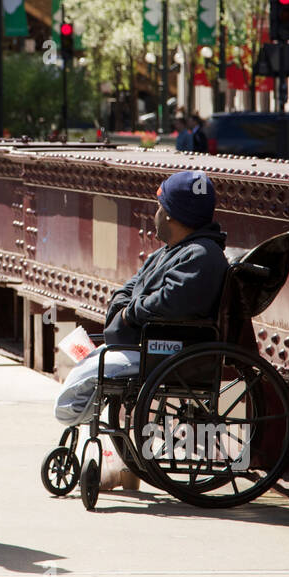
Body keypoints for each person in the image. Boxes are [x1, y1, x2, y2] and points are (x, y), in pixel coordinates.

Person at [55, 171, 228, 426]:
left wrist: (128, 313)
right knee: (82, 377)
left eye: (159, 206)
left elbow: (171, 302)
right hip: (143, 344)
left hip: (159, 349)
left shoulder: (201, 255)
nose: (155, 213)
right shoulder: (173, 251)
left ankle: (84, 428)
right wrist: (123, 306)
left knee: (66, 406)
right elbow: (132, 285)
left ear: (171, 214)